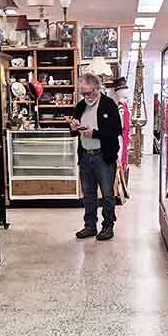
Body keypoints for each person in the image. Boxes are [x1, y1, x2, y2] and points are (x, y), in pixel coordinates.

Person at [71, 72, 122, 241]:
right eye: (83, 93)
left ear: (98, 88)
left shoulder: (109, 105)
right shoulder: (80, 106)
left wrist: (95, 133)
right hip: (85, 156)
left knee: (107, 194)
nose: (87, 96)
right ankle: (90, 226)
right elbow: (74, 131)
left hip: (104, 157)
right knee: (88, 194)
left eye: (89, 92)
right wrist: (73, 127)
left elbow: (116, 131)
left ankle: (108, 226)